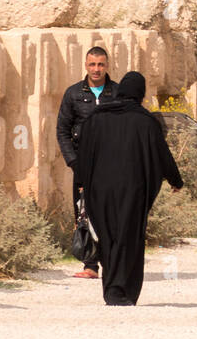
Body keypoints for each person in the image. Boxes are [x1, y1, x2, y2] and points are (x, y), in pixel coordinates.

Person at [74, 71, 183, 306]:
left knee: (107, 235)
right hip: (133, 190)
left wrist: (81, 183)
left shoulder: (96, 118)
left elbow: (84, 154)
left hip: (100, 190)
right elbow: (162, 154)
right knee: (128, 236)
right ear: (140, 93)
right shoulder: (145, 121)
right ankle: (123, 289)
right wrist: (175, 180)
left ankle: (111, 288)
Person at [56, 46, 116, 278]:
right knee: (83, 212)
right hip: (83, 165)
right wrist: (73, 161)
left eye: (101, 64)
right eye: (92, 64)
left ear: (107, 65)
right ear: (85, 65)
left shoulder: (117, 93)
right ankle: (90, 264)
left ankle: (111, 263)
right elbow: (62, 130)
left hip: (111, 164)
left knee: (111, 212)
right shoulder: (73, 94)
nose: (96, 69)